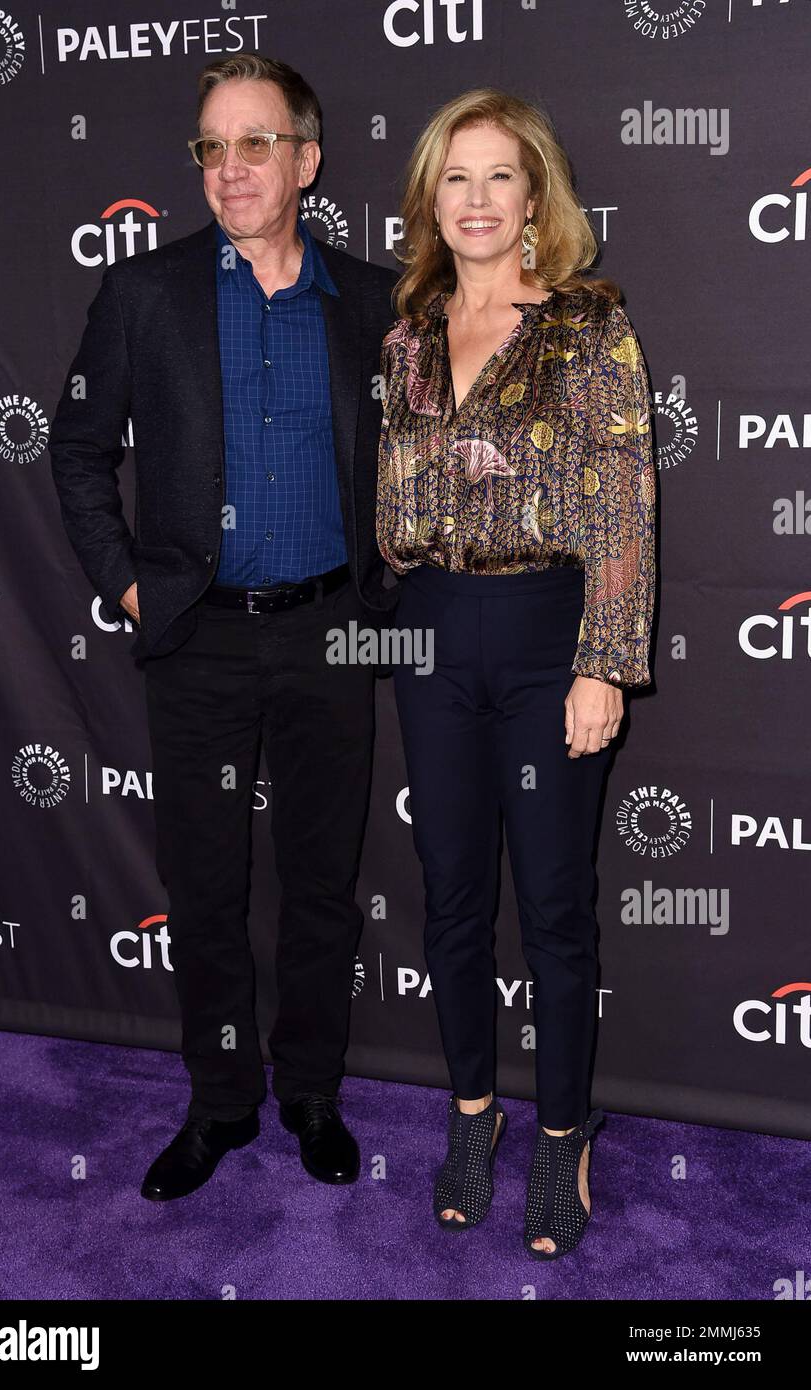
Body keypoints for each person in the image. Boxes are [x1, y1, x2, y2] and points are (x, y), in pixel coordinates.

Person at [49, 54, 398, 1200]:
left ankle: (309, 1091)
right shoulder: (144, 294)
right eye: (211, 145)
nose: (230, 167)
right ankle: (218, 1100)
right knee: (202, 886)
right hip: (197, 636)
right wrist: (130, 585)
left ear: (305, 160)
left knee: (318, 883)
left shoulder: (371, 302)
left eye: (255, 143)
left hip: (330, 631)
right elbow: (79, 451)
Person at [377, 88, 656, 1258]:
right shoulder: (405, 333)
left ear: (534, 195)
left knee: (550, 906)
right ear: (429, 200)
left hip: (550, 631)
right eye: (455, 177)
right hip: (431, 629)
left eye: (499, 176)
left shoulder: (588, 322)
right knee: (448, 894)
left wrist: (602, 661)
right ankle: (472, 1115)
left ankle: (560, 1137)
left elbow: (623, 505)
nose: (476, 199)